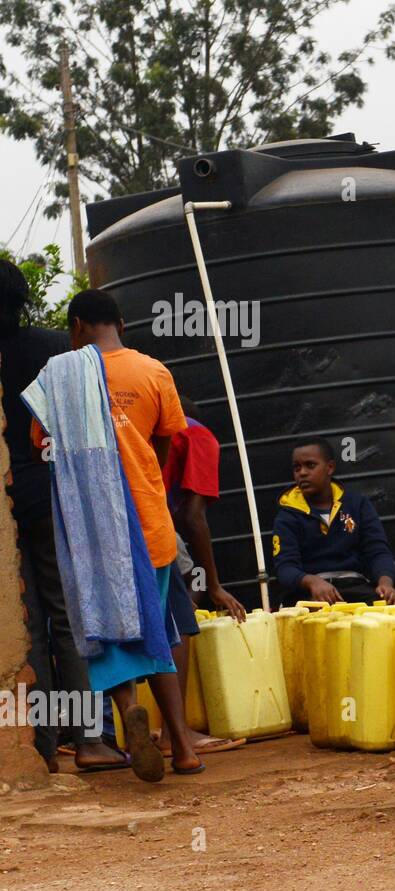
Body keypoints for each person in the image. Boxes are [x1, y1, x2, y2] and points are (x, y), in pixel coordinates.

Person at [24, 288, 203, 780]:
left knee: (105, 633)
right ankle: (184, 748)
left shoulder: (58, 376)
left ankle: (127, 714)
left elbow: (40, 442)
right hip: (149, 521)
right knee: (158, 631)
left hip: (91, 531)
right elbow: (168, 439)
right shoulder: (153, 371)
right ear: (121, 323)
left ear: (76, 326)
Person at [1, 261, 126, 772]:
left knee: (23, 623)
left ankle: (40, 746)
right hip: (58, 491)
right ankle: (93, 739)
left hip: (8, 502)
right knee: (70, 612)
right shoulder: (57, 348)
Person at [161, 395, 245, 756]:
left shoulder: (155, 432)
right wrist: (214, 585)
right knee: (179, 616)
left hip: (121, 520)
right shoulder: (198, 435)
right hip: (151, 520)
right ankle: (174, 734)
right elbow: (194, 517)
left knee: (164, 611)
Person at [271, 438, 395, 606]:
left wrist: (385, 584)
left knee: (388, 613)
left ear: (329, 467)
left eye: (310, 465)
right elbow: (285, 568)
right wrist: (311, 582)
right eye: (297, 468)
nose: (302, 473)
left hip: (355, 587)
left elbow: (378, 551)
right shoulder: (287, 515)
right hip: (307, 594)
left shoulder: (357, 504)